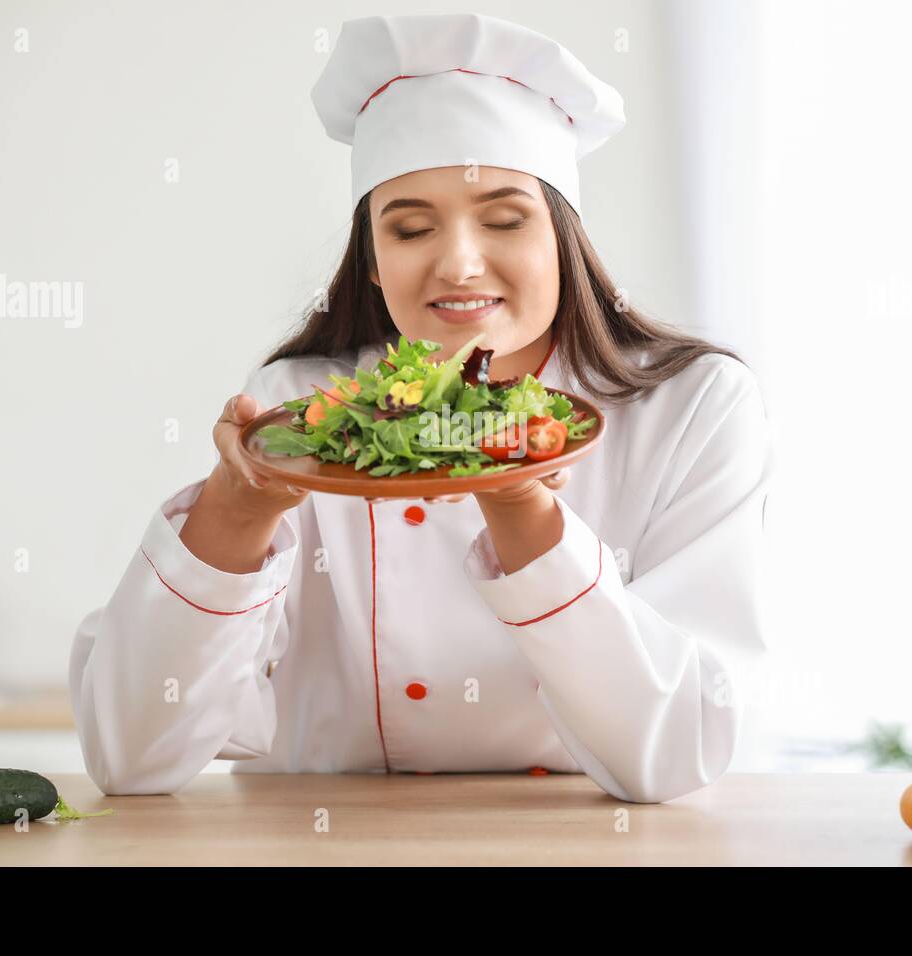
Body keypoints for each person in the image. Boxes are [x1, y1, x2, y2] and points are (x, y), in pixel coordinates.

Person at [69, 12, 776, 804]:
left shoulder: (691, 409)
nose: (459, 263)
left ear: (563, 238)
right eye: (409, 229)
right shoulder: (300, 409)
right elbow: (130, 758)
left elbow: (680, 751)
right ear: (372, 263)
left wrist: (522, 510)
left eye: (505, 219)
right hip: (320, 846)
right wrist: (236, 509)